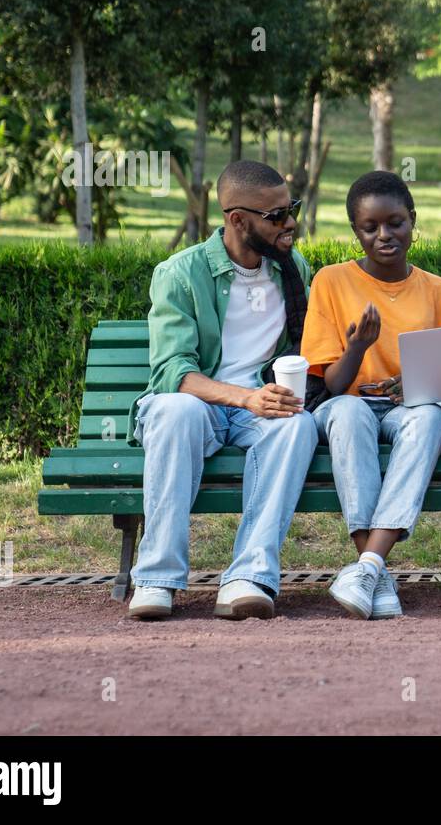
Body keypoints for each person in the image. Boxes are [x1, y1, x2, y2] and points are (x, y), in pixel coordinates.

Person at [127, 160, 319, 621]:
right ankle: (156, 578)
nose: (290, 221)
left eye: (290, 208)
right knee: (177, 412)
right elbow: (173, 373)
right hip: (200, 404)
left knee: (298, 426)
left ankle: (248, 577)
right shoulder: (181, 273)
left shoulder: (292, 270)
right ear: (237, 220)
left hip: (257, 406)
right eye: (275, 215)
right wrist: (246, 397)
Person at [300, 172, 441, 620]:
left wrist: (419, 382)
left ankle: (368, 568)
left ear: (413, 221)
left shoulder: (436, 290)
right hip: (345, 404)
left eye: (395, 223)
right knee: (351, 413)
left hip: (408, 408)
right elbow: (332, 386)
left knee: (431, 418)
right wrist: (358, 346)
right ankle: (375, 570)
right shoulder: (330, 282)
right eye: (369, 228)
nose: (384, 235)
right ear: (356, 231)